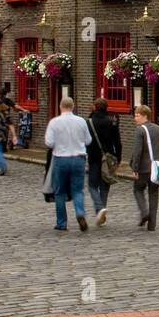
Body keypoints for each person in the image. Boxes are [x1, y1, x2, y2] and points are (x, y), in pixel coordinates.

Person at [44, 96, 92, 232]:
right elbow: (88, 140)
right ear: (73, 106)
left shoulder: (54, 122)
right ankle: (80, 212)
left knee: (59, 192)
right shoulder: (81, 121)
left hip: (61, 159)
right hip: (78, 158)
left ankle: (62, 223)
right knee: (78, 190)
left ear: (60, 106)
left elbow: (49, 143)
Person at [130, 104, 159, 231]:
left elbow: (137, 152)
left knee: (138, 189)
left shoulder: (140, 130)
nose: (135, 118)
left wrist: (135, 168)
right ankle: (152, 224)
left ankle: (144, 212)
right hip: (156, 168)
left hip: (143, 168)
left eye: (137, 115)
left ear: (145, 116)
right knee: (153, 193)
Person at [85, 98, 122, 226]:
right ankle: (102, 212)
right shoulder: (111, 121)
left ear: (95, 107)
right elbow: (117, 142)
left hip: (94, 157)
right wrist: (118, 158)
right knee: (105, 186)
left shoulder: (89, 121)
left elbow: (85, 141)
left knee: (92, 185)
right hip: (109, 157)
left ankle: (99, 208)